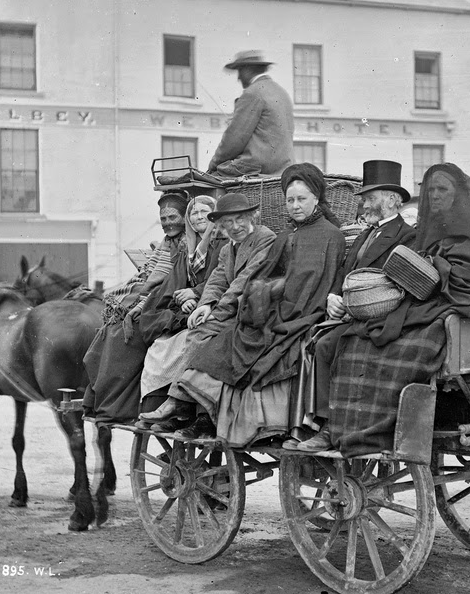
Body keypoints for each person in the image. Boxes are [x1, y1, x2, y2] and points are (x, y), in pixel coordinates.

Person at [142, 164, 345, 446]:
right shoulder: (283, 236)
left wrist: (272, 302)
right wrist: (239, 301)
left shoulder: (330, 235)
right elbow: (256, 279)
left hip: (304, 314)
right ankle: (188, 407)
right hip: (271, 310)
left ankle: (208, 413)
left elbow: (322, 283)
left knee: (237, 340)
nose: (295, 206)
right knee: (224, 339)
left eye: (302, 199)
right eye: (290, 200)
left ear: (316, 198)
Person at [327, 163, 470, 457]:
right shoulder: (427, 227)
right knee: (365, 338)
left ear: (458, 194)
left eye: (443, 190)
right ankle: (355, 427)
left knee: (397, 345)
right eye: (431, 191)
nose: (436, 196)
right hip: (433, 303)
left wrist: (436, 266)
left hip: (463, 306)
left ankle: (377, 430)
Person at [288, 159, 416, 451]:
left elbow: (398, 287)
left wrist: (354, 307)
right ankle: (314, 422)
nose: (365, 205)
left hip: (381, 318)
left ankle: (330, 425)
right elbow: (345, 274)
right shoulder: (364, 235)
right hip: (350, 314)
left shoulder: (408, 237)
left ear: (392, 201)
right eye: (364, 199)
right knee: (312, 341)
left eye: (370, 199)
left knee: (327, 346)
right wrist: (333, 297)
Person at [137, 192, 277, 430]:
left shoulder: (265, 238)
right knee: (196, 330)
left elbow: (244, 280)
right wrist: (205, 305)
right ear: (220, 226)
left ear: (251, 217)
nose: (235, 227)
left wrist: (216, 312)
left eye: (240, 219)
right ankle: (185, 407)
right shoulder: (227, 249)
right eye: (228, 223)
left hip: (259, 312)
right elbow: (217, 281)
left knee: (210, 338)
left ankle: (180, 405)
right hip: (234, 310)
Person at [81, 190, 191, 423]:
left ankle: (117, 408)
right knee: (106, 334)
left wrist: (142, 303)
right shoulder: (167, 242)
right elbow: (151, 271)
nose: (167, 223)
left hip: (169, 301)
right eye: (163, 219)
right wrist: (136, 288)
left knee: (124, 338)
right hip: (156, 296)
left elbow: (172, 281)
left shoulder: (186, 243)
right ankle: (96, 401)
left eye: (173, 217)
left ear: (185, 217)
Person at [207, 50, 295, 178]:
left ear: (247, 70)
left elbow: (233, 140)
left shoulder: (252, 93)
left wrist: (214, 163)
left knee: (208, 178)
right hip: (282, 168)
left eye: (239, 72)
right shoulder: (281, 92)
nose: (238, 78)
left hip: (256, 168)